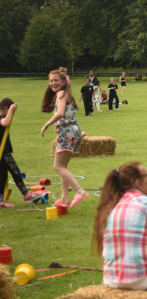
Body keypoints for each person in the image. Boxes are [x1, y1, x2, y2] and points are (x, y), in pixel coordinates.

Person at [92, 162, 147, 290]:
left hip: (112, 280)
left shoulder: (113, 205)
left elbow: (133, 241)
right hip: (146, 279)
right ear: (138, 183)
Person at [40, 69, 89, 209]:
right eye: (51, 81)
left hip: (67, 133)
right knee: (63, 167)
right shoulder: (67, 94)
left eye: (56, 80)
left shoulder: (61, 94)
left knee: (58, 166)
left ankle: (79, 191)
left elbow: (61, 113)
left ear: (63, 82)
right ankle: (64, 199)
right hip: (73, 132)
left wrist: (46, 125)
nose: (53, 83)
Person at [0, 98, 45, 207]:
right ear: (6, 108)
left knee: (2, 176)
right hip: (2, 152)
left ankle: (1, 200)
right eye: (9, 110)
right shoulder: (1, 117)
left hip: (4, 150)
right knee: (15, 171)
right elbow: (6, 123)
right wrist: (11, 110)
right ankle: (26, 194)